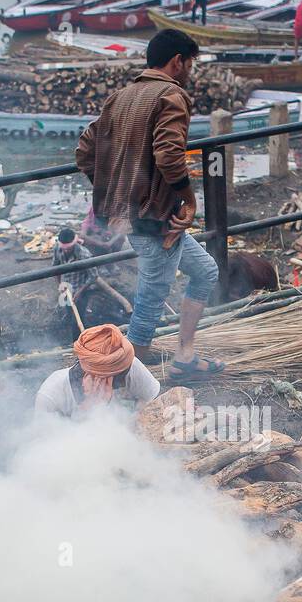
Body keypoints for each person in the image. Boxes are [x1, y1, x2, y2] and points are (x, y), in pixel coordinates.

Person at [74, 30, 224, 381]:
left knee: (205, 271)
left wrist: (115, 194)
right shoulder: (172, 94)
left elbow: (84, 153)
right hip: (156, 220)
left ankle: (184, 356)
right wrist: (189, 198)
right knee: (151, 299)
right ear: (177, 61)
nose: (190, 71)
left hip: (133, 218)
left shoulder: (120, 97)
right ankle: (120, 382)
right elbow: (169, 155)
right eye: (190, 64)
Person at [34, 324, 160, 417]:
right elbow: (47, 442)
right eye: (105, 377)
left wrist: (135, 423)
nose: (112, 383)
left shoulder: (128, 366)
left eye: (117, 377)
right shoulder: (51, 394)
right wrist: (90, 408)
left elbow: (150, 403)